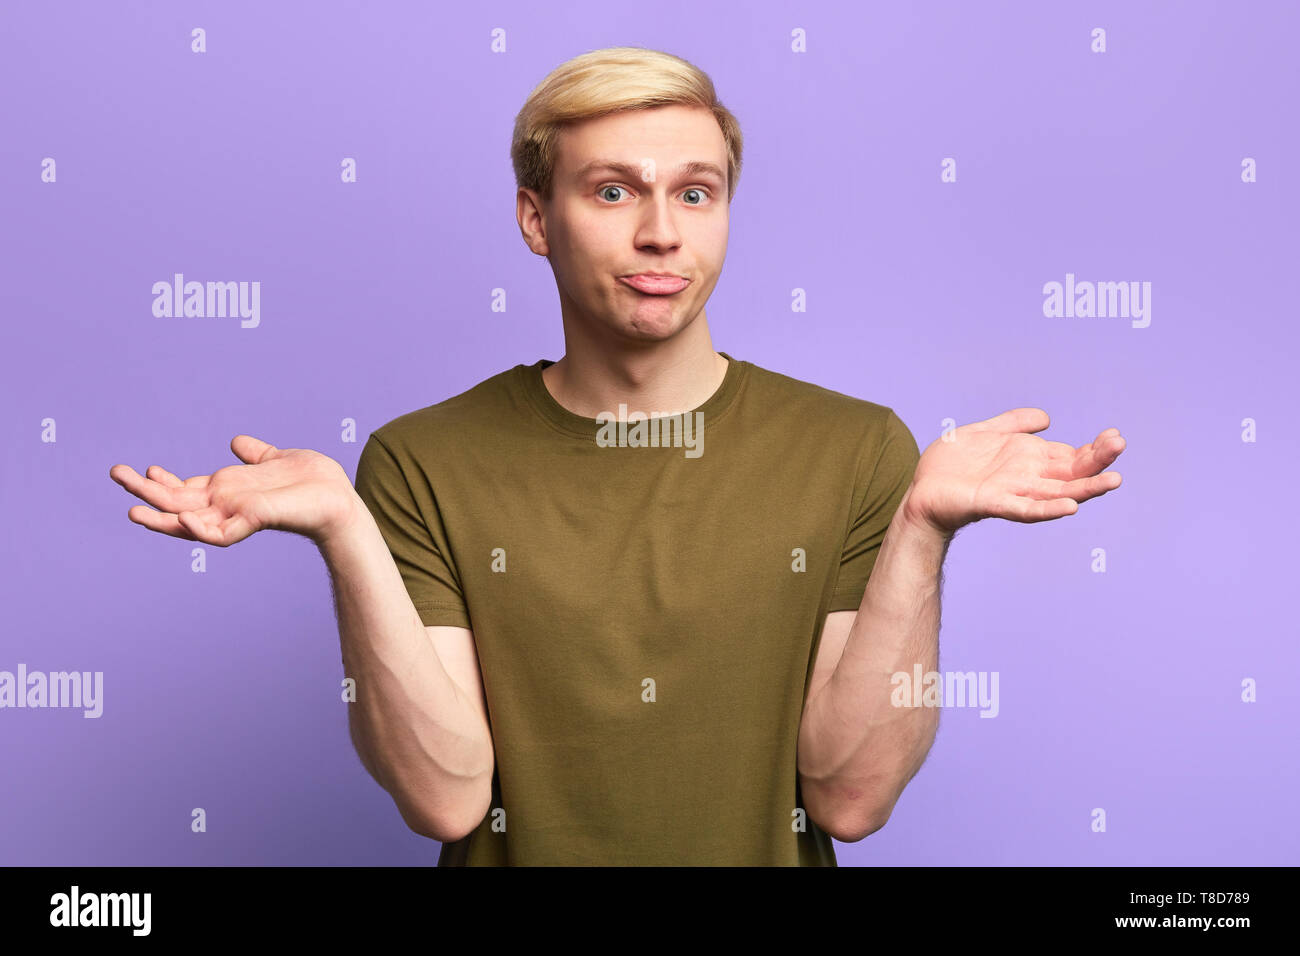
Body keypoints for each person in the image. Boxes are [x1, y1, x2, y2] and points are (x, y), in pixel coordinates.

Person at [109, 46, 1126, 866]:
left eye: (696, 194)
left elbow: (850, 800)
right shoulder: (420, 463)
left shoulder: (856, 449)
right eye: (611, 192)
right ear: (535, 218)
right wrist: (343, 529)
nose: (660, 234)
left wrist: (922, 530)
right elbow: (445, 797)